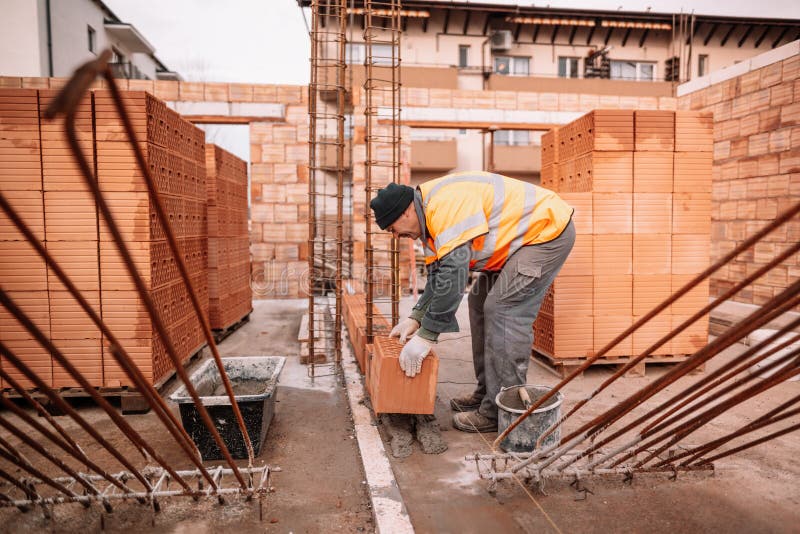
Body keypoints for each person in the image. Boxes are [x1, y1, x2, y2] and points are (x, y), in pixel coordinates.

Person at [369, 172, 575, 433]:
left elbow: (455, 272)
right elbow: (439, 277)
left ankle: (501, 409)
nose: (396, 236)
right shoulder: (429, 225)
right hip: (517, 244)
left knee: (503, 310)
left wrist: (428, 335)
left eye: (392, 229)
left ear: (406, 212)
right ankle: (488, 392)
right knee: (478, 302)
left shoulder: (443, 206)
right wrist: (417, 316)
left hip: (545, 233)